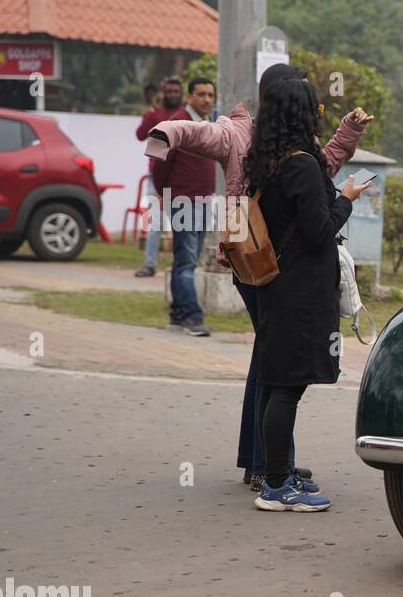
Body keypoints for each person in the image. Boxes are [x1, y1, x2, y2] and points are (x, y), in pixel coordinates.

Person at [143, 63, 371, 491]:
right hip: (254, 258)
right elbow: (193, 134)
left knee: (270, 360)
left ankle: (267, 461)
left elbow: (325, 164)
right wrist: (162, 138)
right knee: (277, 368)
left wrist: (349, 130)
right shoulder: (238, 132)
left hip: (272, 255)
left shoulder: (282, 141)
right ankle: (271, 468)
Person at [242, 77, 372, 511]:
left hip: (277, 282)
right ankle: (277, 486)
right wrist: (348, 197)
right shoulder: (300, 164)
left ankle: (275, 474)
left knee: (273, 382)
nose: (319, 112)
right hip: (299, 287)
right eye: (314, 107)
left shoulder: (266, 159)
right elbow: (319, 232)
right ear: (301, 113)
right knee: (287, 387)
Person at [162, 77, 218, 336]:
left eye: (210, 95)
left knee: (184, 261)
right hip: (183, 201)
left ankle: (177, 315)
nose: (207, 99)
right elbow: (159, 161)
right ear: (190, 96)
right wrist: (165, 193)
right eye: (202, 94)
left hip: (205, 201)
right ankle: (193, 318)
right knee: (187, 262)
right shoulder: (177, 123)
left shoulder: (209, 124)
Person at [133, 78, 183, 277]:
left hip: (179, 178)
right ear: (163, 93)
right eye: (169, 91)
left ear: (181, 93)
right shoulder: (156, 114)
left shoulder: (185, 115)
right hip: (156, 177)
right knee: (154, 222)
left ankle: (180, 266)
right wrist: (150, 113)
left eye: (176, 91)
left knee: (180, 223)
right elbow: (139, 135)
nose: (172, 94)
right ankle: (150, 264)